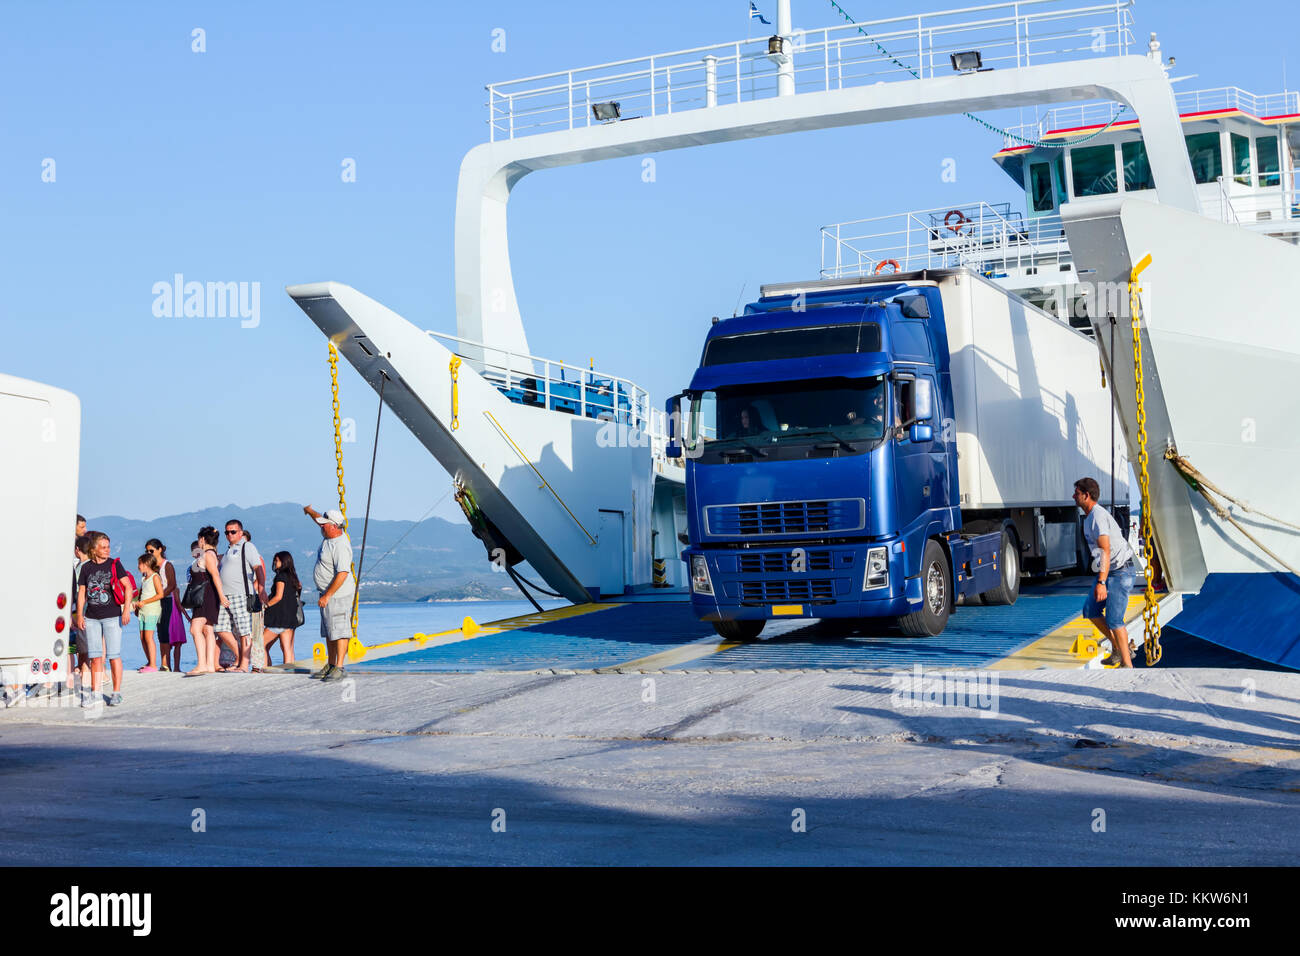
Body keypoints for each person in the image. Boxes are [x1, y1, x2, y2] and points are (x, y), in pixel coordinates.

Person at [1073, 476, 1137, 668]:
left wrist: (1101, 582)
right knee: (1090, 610)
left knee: (1114, 620)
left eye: (1076, 493)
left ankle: (1128, 665)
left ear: (1086, 495)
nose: (1073, 496)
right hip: (1109, 572)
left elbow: (1105, 550)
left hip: (1120, 572)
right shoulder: (1089, 517)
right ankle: (1118, 648)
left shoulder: (1098, 517)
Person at [75, 532, 134, 706]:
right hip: (91, 618)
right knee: (95, 657)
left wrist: (126, 611)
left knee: (114, 655)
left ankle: (116, 692)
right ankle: (95, 693)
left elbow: (128, 587)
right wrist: (79, 615)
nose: (107, 550)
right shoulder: (86, 568)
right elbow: (82, 594)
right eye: (103, 547)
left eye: (108, 546)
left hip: (112, 617)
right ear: (94, 549)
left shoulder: (114, 565)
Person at [303, 506, 355, 682]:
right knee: (329, 631)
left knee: (339, 631)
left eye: (325, 525)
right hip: (326, 593)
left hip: (338, 595)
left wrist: (328, 595)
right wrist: (310, 511)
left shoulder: (340, 545)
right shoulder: (328, 537)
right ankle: (331, 664)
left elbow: (342, 573)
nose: (321, 527)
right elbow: (318, 519)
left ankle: (339, 666)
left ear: (334, 526)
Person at [214, 519, 263, 673]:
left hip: (241, 594)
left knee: (244, 631)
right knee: (220, 628)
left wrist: (261, 589)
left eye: (233, 531)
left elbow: (258, 568)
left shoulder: (247, 546)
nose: (229, 534)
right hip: (225, 596)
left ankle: (243, 665)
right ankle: (239, 656)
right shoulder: (229, 550)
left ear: (241, 533)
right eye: (227, 532)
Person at [185, 528, 226, 676]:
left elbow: (215, 576)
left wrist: (221, 597)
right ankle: (209, 665)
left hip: (205, 596)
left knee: (195, 629)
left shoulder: (207, 555)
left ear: (202, 539)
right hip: (208, 595)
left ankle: (202, 664)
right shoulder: (211, 554)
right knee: (208, 629)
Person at [146, 539, 186, 672]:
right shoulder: (150, 566)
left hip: (166, 600)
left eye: (151, 550)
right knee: (159, 633)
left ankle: (166, 664)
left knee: (166, 632)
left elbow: (172, 585)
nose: (149, 553)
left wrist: (160, 595)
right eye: (147, 551)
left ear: (160, 550)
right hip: (154, 602)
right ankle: (164, 664)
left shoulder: (167, 565)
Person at [262, 551, 303, 666]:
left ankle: (264, 669)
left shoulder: (280, 577)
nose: (275, 562)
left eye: (277, 560)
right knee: (287, 648)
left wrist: (265, 606)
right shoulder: (294, 578)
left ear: (284, 561)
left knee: (260, 645)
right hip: (290, 619)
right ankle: (289, 671)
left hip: (278, 619)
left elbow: (278, 597)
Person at [243, 529, 269, 672]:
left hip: (253, 599)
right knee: (242, 632)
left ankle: (257, 664)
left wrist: (254, 590)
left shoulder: (256, 558)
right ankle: (241, 661)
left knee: (256, 633)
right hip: (240, 598)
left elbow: (261, 578)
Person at [133, 553, 164, 672]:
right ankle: (149, 661)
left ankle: (153, 665)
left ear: (146, 564)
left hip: (152, 611)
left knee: (148, 637)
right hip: (143, 611)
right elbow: (142, 594)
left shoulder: (155, 577)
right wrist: (138, 607)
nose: (138, 566)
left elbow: (160, 594)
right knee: (142, 637)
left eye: (140, 564)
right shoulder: (144, 578)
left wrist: (144, 602)